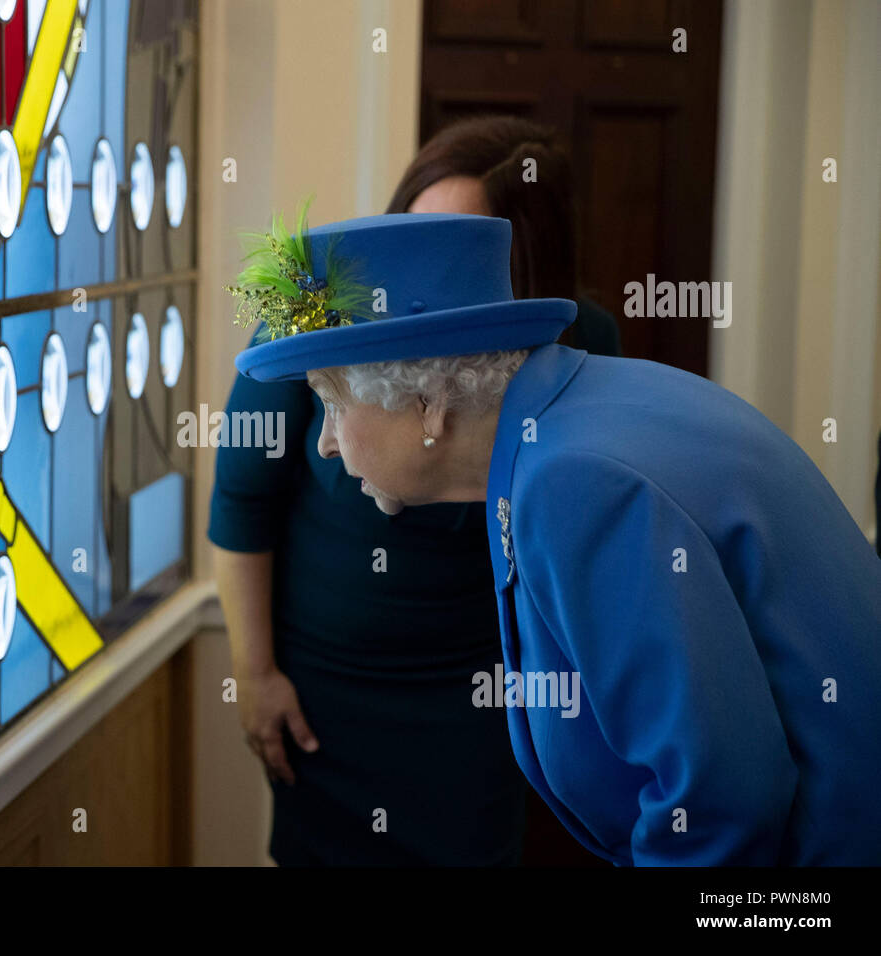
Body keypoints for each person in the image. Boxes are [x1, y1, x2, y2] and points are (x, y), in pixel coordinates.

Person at [231, 209, 881, 865]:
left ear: (427, 404)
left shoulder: (571, 482)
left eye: (334, 403)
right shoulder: (560, 426)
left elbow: (716, 806)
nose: (327, 441)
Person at [209, 115, 617, 866]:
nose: (420, 267)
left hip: (476, 700)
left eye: (458, 245)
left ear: (521, 265)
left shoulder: (578, 347)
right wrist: (254, 672)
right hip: (323, 696)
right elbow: (242, 502)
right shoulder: (314, 329)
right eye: (414, 227)